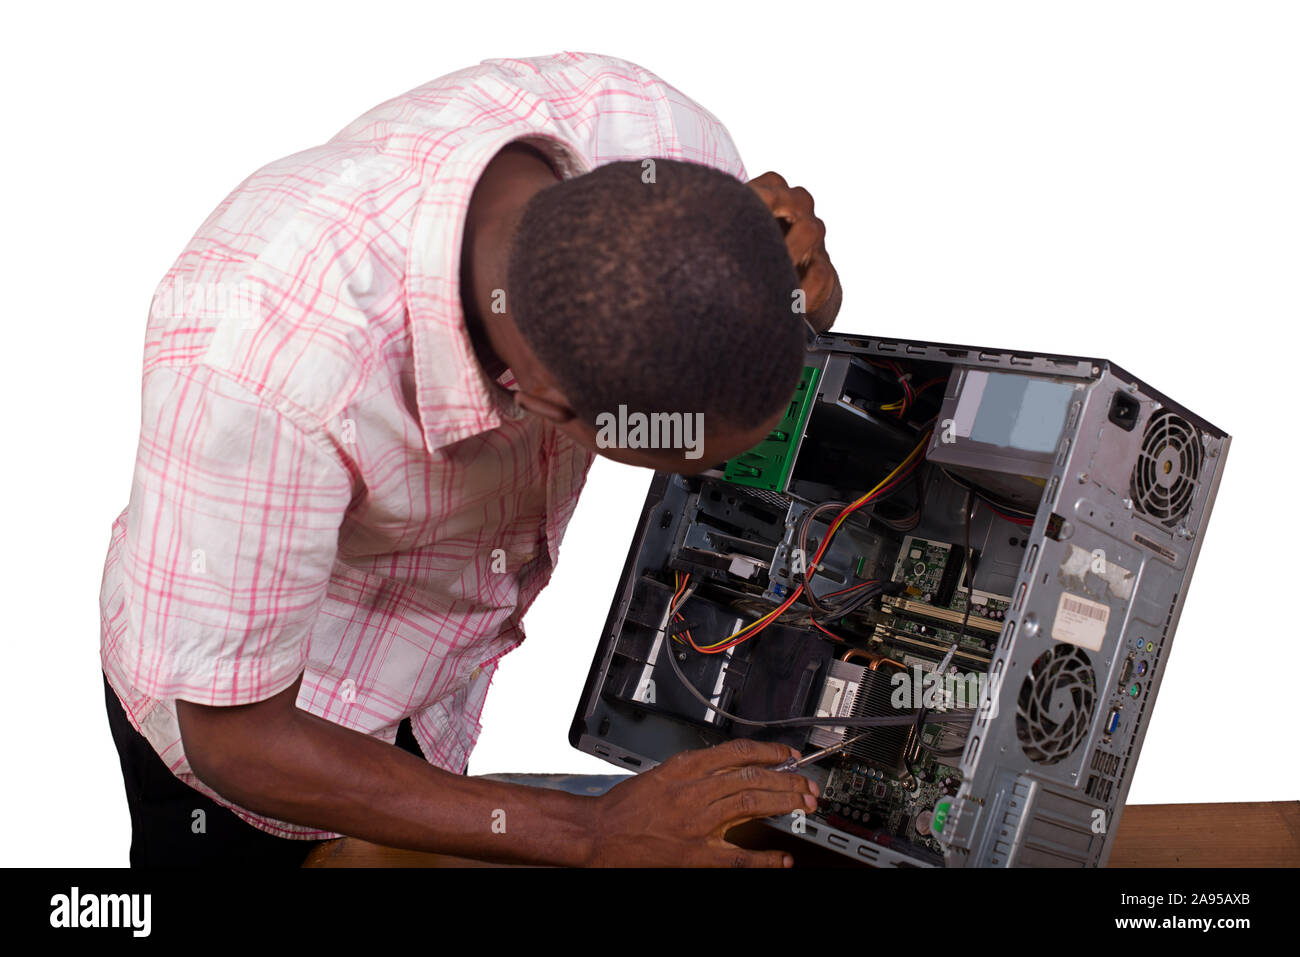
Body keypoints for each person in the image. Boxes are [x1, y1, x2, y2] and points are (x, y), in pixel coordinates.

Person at [99, 51, 841, 867]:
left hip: (420, 673)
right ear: (547, 408)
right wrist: (587, 832)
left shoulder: (657, 138)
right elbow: (234, 737)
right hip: (264, 725)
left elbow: (765, 324)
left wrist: (806, 286)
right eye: (689, 458)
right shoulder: (262, 371)